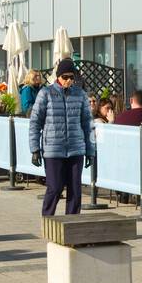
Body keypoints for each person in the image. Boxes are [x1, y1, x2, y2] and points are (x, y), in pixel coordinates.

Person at [28, 59, 95, 217]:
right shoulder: (46, 93)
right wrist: (35, 149)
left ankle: (72, 226)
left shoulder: (80, 94)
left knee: (75, 190)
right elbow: (35, 122)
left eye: (72, 77)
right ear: (58, 76)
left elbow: (88, 124)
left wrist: (91, 150)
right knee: (55, 187)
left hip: (76, 149)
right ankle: (47, 219)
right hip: (53, 149)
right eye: (65, 77)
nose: (69, 81)